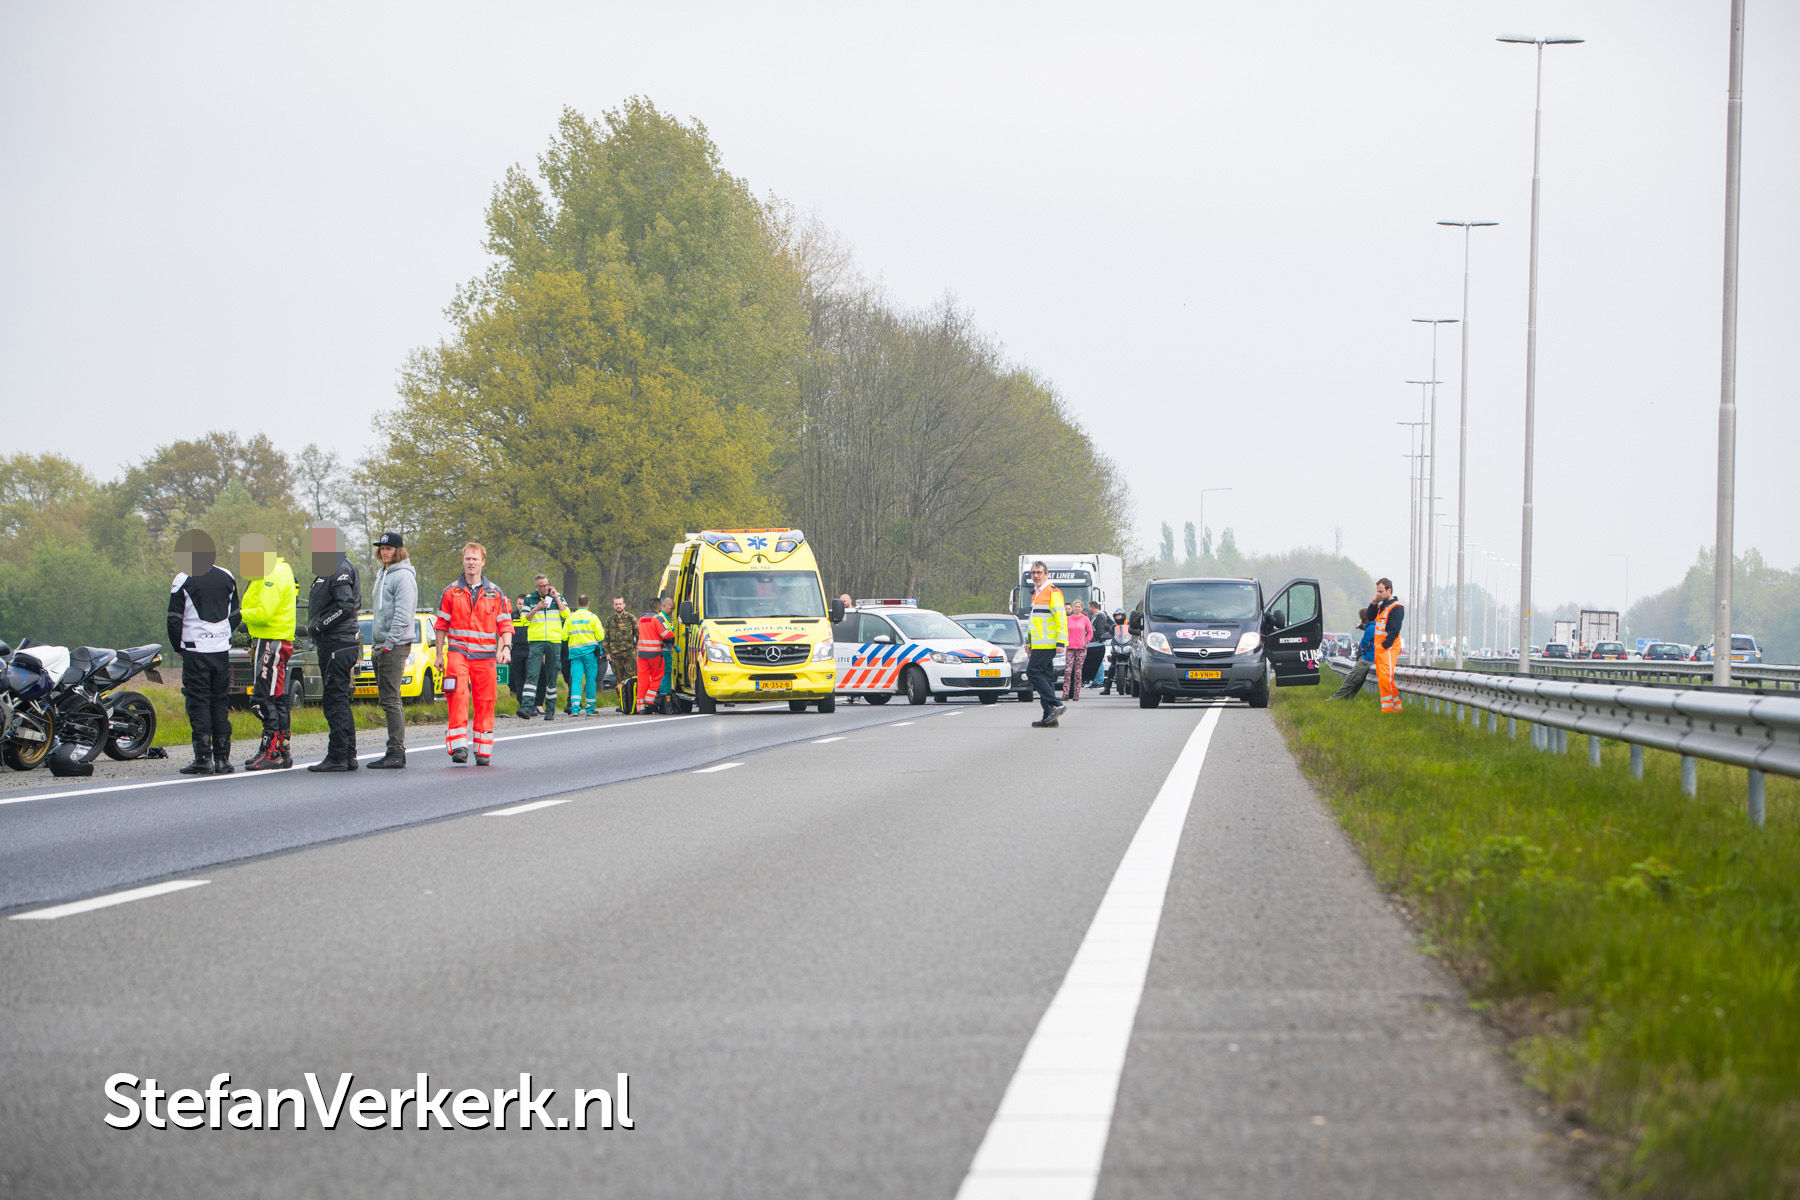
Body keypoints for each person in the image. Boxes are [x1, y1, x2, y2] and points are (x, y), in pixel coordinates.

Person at [167, 530, 242, 775]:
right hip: (221, 651)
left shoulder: (183, 578)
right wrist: (221, 635)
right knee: (219, 702)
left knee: (198, 702)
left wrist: (178, 647)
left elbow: (174, 619)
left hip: (195, 650)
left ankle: (203, 758)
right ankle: (222, 759)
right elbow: (236, 615)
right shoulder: (227, 577)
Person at [434, 542, 513, 764]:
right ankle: (459, 747)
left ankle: (483, 750)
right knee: (457, 696)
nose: (471, 563)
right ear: (463, 561)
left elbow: (505, 624)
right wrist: (439, 655)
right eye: (468, 558)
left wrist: (506, 647)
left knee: (486, 701)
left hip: (486, 657)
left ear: (483, 562)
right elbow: (441, 625)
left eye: (475, 559)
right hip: (458, 653)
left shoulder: (495, 593)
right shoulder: (451, 591)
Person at [305, 524, 362, 772]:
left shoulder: (339, 567)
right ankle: (348, 754)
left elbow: (345, 606)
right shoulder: (328, 569)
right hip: (336, 642)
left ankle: (338, 755)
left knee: (333, 700)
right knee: (338, 698)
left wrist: (320, 625)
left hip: (338, 643)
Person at [240, 533, 297, 771]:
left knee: (262, 699)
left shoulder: (272, 575)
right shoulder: (278, 570)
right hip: (276, 639)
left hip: (272, 640)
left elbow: (264, 612)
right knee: (277, 698)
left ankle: (272, 750)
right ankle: (279, 748)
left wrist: (239, 615)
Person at [367, 531, 417, 768]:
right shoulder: (383, 573)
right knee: (386, 699)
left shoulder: (403, 576)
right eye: (382, 549)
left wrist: (389, 643)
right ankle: (392, 749)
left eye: (389, 549)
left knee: (391, 699)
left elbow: (403, 613)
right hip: (381, 645)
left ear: (399, 550)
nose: (385, 552)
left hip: (394, 646)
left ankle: (397, 750)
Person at [518, 575, 568, 720]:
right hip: (536, 641)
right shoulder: (529, 599)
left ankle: (550, 710)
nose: (545, 588)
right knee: (532, 673)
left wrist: (557, 597)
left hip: (553, 640)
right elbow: (524, 620)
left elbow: (566, 614)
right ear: (536, 587)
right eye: (542, 586)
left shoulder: (557, 597)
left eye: (546, 585)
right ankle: (527, 707)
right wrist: (537, 608)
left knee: (552, 674)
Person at [1025, 561, 1067, 728]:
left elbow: (1061, 618)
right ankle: (1049, 717)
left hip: (1048, 643)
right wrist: (1029, 642)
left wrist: (1061, 641)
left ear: (1046, 574)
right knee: (1047, 677)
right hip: (1038, 643)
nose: (1036, 575)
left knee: (1032, 671)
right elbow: (1033, 622)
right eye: (1033, 572)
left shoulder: (1052, 592)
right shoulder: (1037, 593)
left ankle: (1055, 704)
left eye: (1039, 572)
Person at [1328, 606, 1378, 700]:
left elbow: (1364, 644)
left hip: (1367, 659)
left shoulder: (1371, 628)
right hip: (1371, 658)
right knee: (1357, 682)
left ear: (1364, 618)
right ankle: (1346, 699)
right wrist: (1360, 626)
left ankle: (1336, 699)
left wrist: (1362, 649)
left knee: (1350, 680)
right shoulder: (1374, 626)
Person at [565, 594, 603, 715]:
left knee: (576, 680)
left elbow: (564, 636)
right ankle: (590, 708)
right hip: (590, 654)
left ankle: (575, 708)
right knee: (591, 680)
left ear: (578, 603)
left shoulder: (571, 618)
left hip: (575, 653)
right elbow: (601, 636)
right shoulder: (593, 617)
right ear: (588, 603)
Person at [635, 597, 674, 714]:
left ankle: (640, 707)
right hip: (655, 653)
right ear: (659, 607)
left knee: (642, 679)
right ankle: (649, 701)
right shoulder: (658, 618)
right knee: (658, 677)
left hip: (641, 654)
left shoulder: (641, 619)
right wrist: (671, 630)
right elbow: (667, 635)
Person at [1372, 577, 1405, 714]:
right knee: (1383, 679)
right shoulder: (1381, 606)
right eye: (1377, 591)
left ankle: (1388, 709)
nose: (1378, 594)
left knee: (1386, 678)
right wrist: (1374, 602)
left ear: (1388, 590)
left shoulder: (1396, 608)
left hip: (1388, 648)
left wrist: (1385, 645)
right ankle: (1395, 708)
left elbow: (1394, 629)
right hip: (1380, 648)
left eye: (1380, 591)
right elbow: (1369, 616)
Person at [603, 595, 637, 710]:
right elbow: (606, 638)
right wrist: (607, 653)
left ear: (624, 605)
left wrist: (636, 650)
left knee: (632, 677)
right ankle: (622, 703)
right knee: (619, 679)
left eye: (620, 604)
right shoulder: (610, 620)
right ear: (613, 605)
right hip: (615, 655)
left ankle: (634, 702)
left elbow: (638, 635)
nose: (618, 606)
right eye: (616, 604)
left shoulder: (631, 618)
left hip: (629, 653)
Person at [1065, 601, 1093, 700]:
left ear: (1081, 608)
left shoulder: (1085, 619)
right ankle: (1066, 693)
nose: (1076, 608)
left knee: (1077, 671)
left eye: (1078, 607)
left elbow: (1090, 632)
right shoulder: (1068, 619)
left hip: (1081, 648)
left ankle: (1076, 693)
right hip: (1070, 647)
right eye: (1075, 607)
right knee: (1068, 670)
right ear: (1072, 608)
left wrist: (1086, 642)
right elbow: (1063, 631)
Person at [508, 595, 531, 705]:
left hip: (529, 649)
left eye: (523, 604)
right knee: (517, 677)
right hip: (516, 650)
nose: (521, 606)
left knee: (528, 676)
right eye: (519, 604)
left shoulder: (531, 616)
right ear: (516, 604)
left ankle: (529, 702)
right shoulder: (512, 616)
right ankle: (520, 702)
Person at [1102, 610, 1131, 695]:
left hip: (1127, 645)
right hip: (1117, 646)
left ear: (1123, 616)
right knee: (1112, 666)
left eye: (1120, 615)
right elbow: (1111, 634)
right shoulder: (1114, 626)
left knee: (1134, 664)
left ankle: (1136, 686)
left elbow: (1134, 633)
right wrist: (1107, 629)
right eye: (1117, 616)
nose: (1118, 617)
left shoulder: (1129, 624)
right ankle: (1107, 688)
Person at [1084, 601, 1113, 689]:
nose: (1089, 609)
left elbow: (1100, 630)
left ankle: (1099, 681)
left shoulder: (1100, 616)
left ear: (1092, 607)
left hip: (1098, 642)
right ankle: (1096, 680)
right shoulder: (1096, 616)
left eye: (1090, 607)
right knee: (1096, 661)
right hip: (1095, 642)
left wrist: (1100, 640)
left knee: (1099, 661)